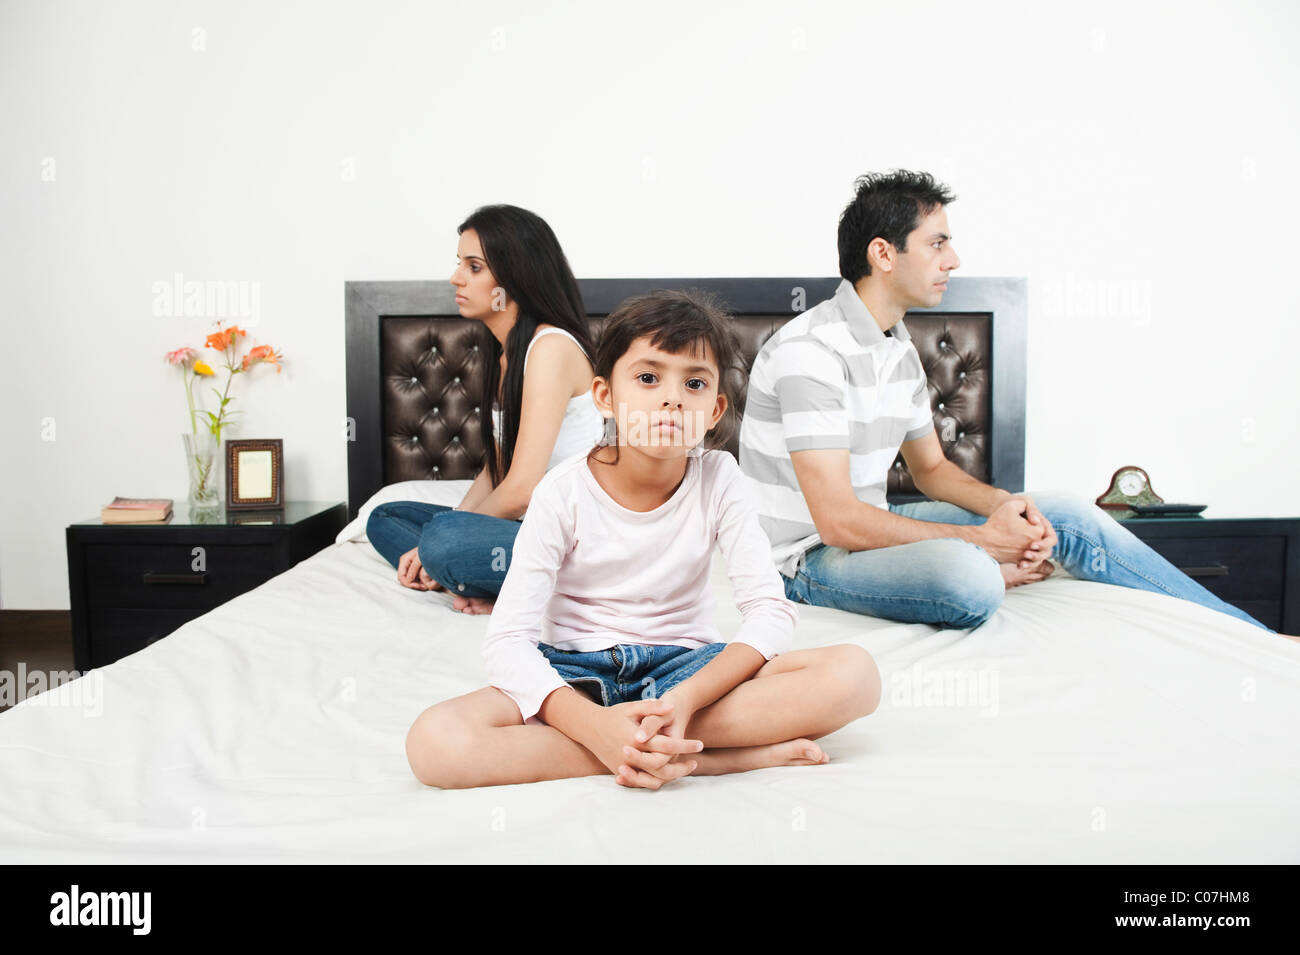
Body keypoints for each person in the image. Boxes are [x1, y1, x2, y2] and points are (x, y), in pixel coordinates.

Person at [739, 169, 1274, 632]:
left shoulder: (895, 348)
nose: (953, 259)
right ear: (883, 253)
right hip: (805, 561)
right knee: (968, 579)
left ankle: (1254, 638)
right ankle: (988, 571)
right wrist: (986, 548)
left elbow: (932, 471)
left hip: (862, 531)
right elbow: (838, 524)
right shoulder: (809, 353)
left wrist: (1006, 510)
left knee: (1061, 511)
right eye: (937, 243)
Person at [404, 290, 880, 789]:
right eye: (648, 378)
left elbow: (770, 610)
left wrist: (688, 698)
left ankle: (635, 742)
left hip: (686, 670)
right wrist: (592, 726)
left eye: (694, 383)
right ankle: (705, 757)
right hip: (575, 676)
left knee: (855, 675)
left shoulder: (720, 477)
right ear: (605, 396)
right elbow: (507, 641)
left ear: (715, 409)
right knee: (435, 741)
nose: (672, 398)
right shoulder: (563, 490)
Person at [366, 205, 603, 615]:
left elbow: (522, 488)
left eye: (474, 267)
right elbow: (497, 471)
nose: (456, 277)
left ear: (515, 277)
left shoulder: (550, 349)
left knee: (442, 542)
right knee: (385, 516)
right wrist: (457, 523)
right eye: (459, 264)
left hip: (575, 543)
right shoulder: (506, 353)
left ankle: (526, 593)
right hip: (526, 530)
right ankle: (481, 581)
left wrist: (440, 540)